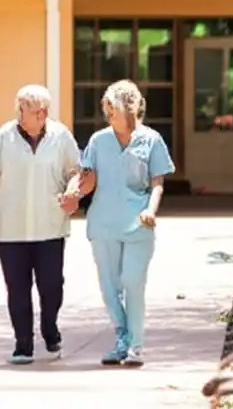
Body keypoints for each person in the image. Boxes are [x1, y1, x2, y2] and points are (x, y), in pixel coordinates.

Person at [0, 84, 82, 365]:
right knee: (17, 289)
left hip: (50, 225)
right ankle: (23, 343)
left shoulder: (61, 136)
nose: (43, 115)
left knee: (52, 285)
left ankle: (50, 330)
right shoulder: (3, 137)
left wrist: (72, 191)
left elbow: (76, 170)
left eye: (45, 110)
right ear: (21, 110)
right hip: (11, 227)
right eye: (36, 110)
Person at [64, 79, 174, 367]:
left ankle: (135, 345)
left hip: (139, 223)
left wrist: (151, 210)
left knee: (133, 282)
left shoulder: (151, 140)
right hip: (103, 223)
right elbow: (87, 176)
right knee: (110, 287)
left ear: (131, 108)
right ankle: (122, 337)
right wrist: (73, 192)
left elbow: (158, 183)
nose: (109, 116)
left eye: (113, 110)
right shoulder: (99, 141)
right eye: (107, 111)